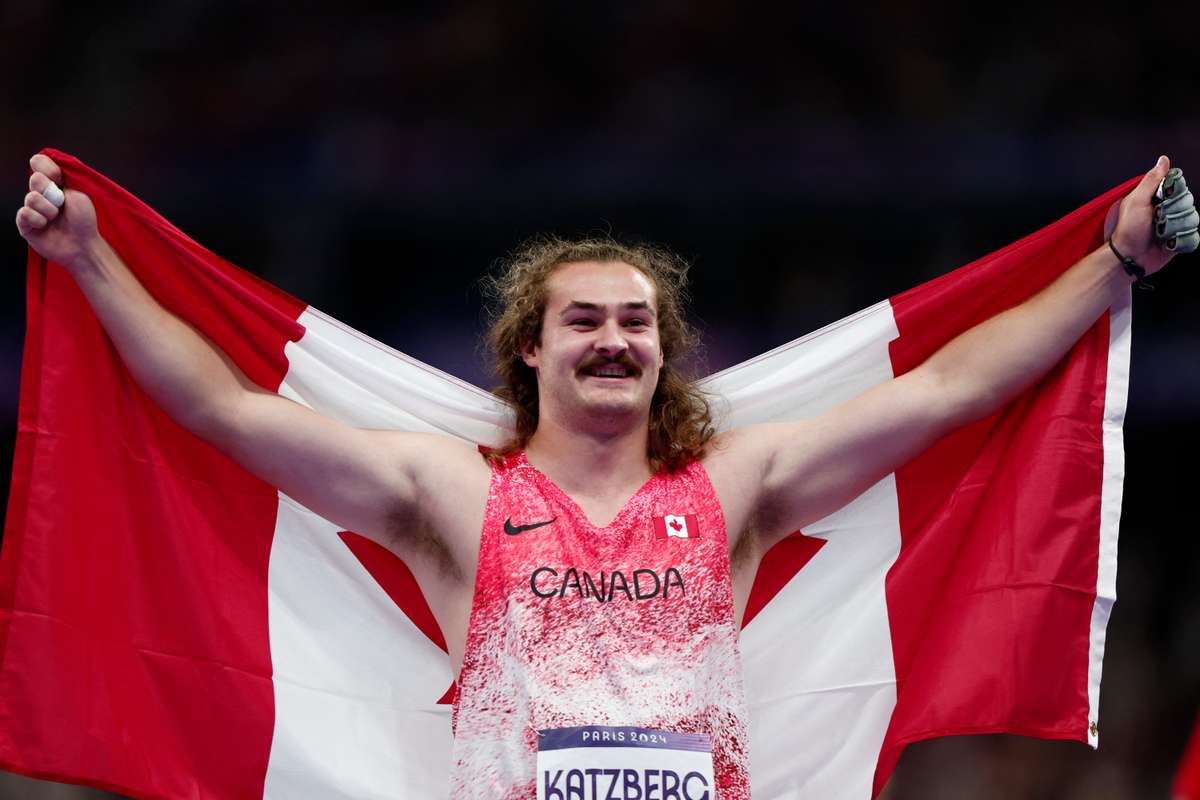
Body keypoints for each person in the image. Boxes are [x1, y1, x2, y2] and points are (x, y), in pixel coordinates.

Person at [13, 151, 1194, 800]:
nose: (614, 337)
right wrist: (93, 260)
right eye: (583, 319)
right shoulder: (453, 491)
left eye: (636, 319)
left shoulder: (737, 484)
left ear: (666, 351)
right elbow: (221, 408)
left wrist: (1111, 267)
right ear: (531, 346)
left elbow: (948, 392)